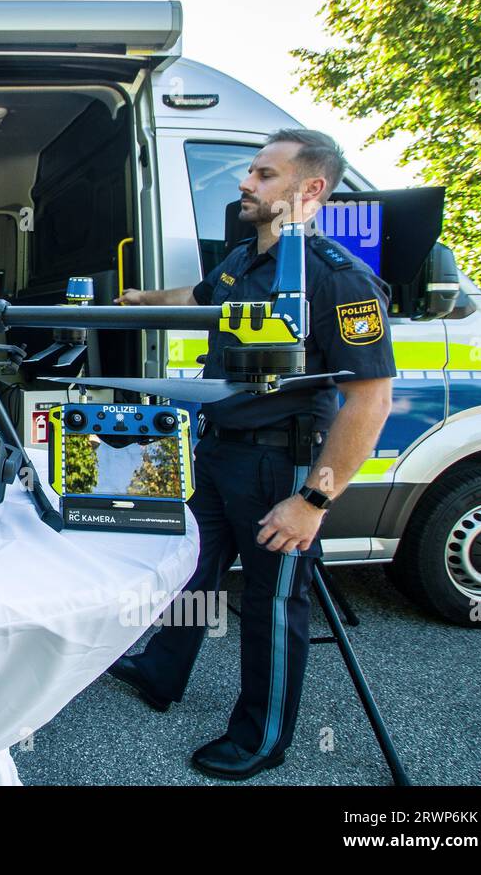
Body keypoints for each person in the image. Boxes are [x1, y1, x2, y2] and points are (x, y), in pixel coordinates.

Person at [109, 128, 395, 780]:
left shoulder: (337, 280)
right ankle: (161, 670)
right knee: (192, 572)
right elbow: (200, 296)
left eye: (265, 175)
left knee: (270, 605)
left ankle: (261, 737)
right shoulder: (244, 259)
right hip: (218, 452)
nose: (246, 182)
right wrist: (139, 302)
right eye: (251, 172)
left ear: (311, 189)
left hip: (280, 466)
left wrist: (313, 500)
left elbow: (369, 405)